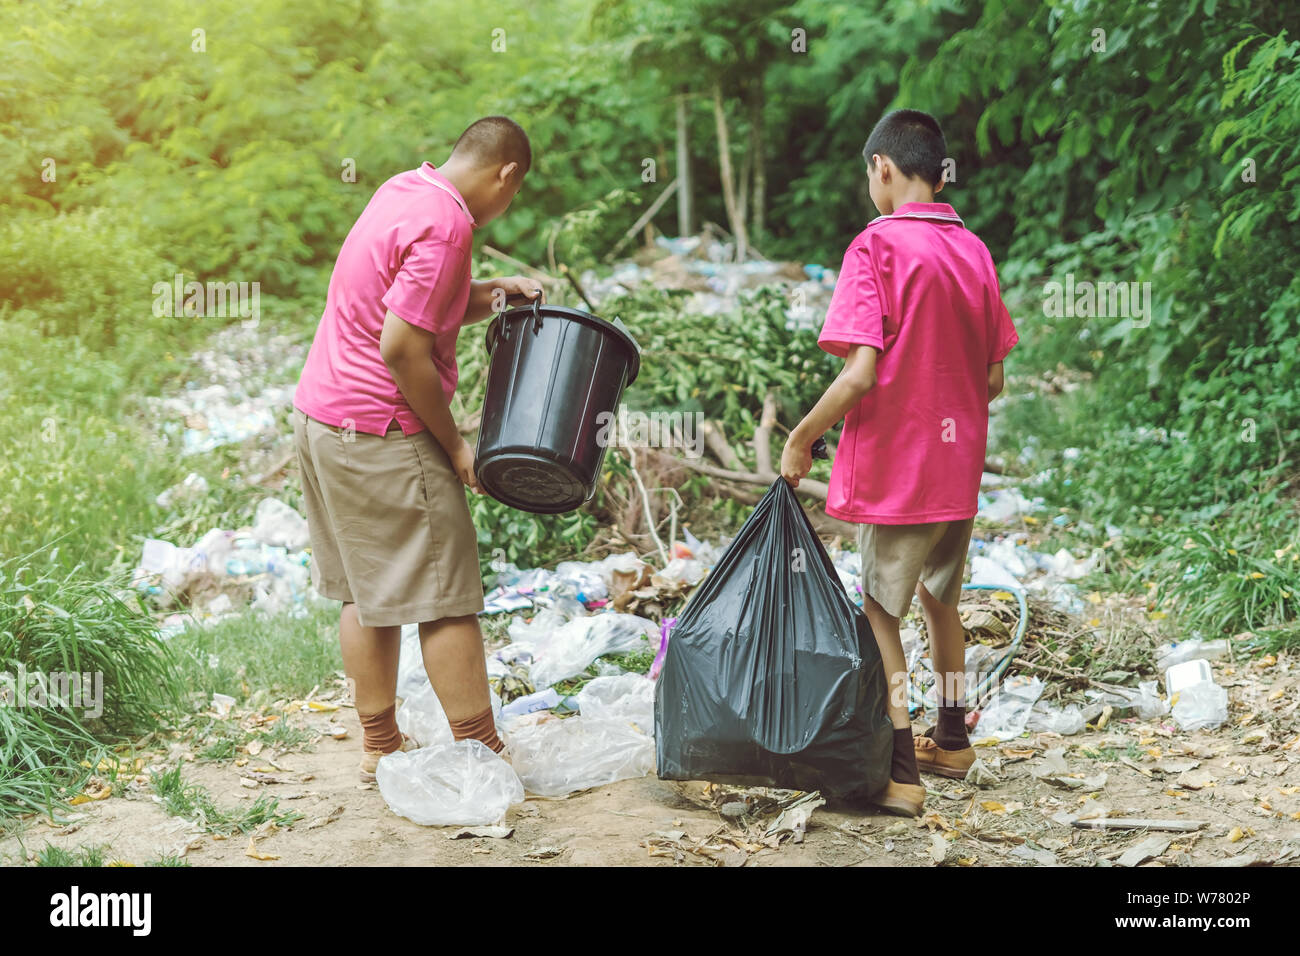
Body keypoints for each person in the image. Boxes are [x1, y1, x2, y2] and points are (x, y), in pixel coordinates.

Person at [780, 109, 1019, 816]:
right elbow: (994, 378)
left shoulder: (875, 248)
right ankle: (952, 736)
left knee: (881, 613)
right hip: (956, 473)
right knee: (940, 601)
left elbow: (859, 375)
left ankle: (900, 771)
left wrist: (800, 436)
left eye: (868, 176)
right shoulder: (973, 249)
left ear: (882, 167)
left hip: (896, 474)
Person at [292, 116, 545, 782]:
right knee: (445, 595)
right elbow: (402, 347)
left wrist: (488, 296)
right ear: (507, 175)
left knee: (364, 592)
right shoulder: (449, 224)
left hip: (323, 419)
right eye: (513, 194)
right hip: (382, 431)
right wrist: (455, 441)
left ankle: (379, 745)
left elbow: (405, 305)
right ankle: (483, 753)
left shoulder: (406, 190)